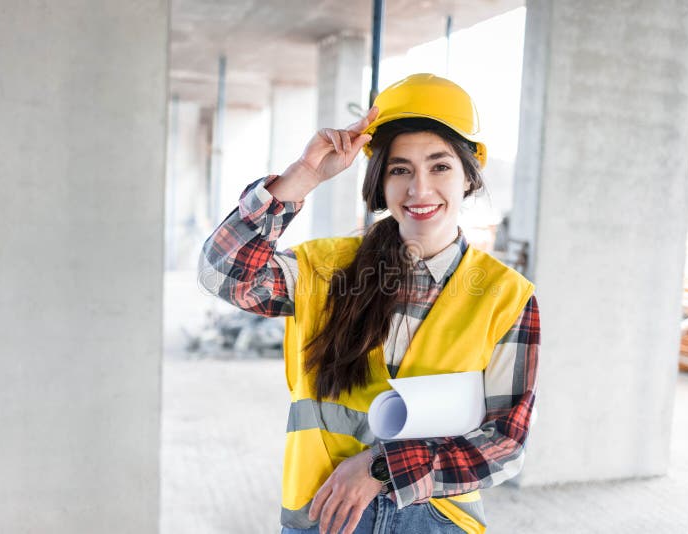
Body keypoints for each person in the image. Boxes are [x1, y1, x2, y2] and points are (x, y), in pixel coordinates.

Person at [198, 73, 540, 534]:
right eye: (400, 170)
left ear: (468, 179)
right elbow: (223, 271)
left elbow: (505, 443)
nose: (419, 189)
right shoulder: (325, 267)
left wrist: (382, 469)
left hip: (437, 518)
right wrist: (303, 176)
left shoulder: (507, 295)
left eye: (439, 167)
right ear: (381, 184)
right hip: (323, 513)